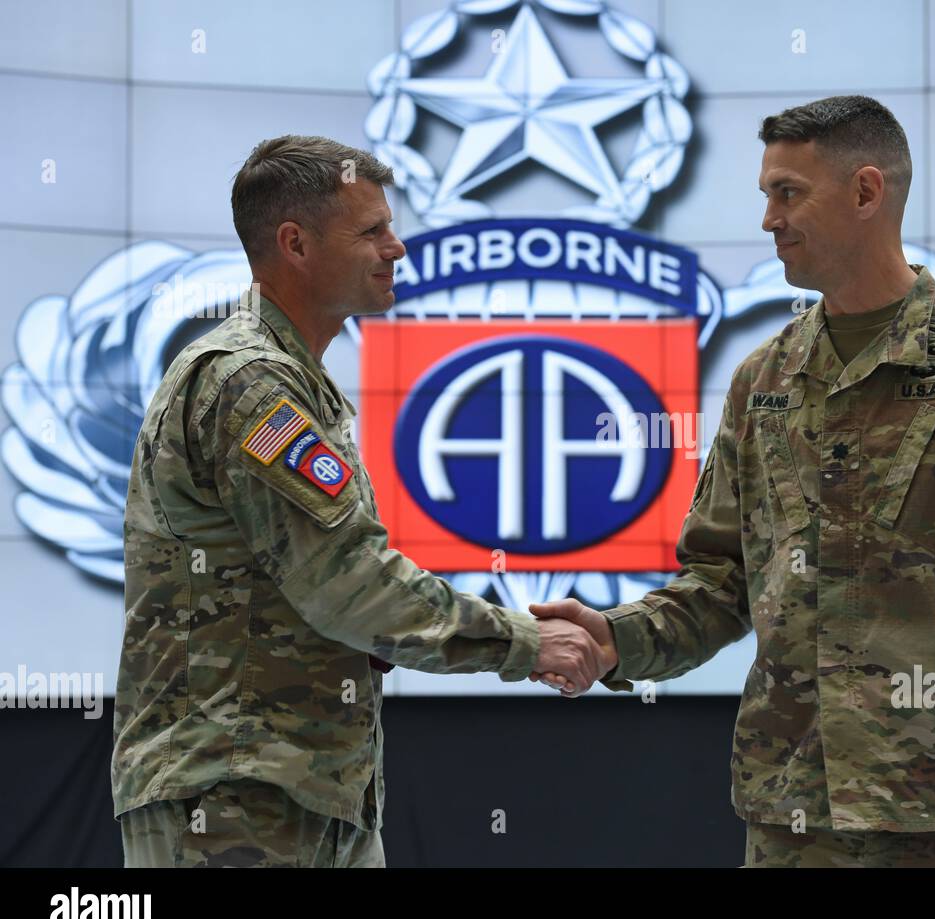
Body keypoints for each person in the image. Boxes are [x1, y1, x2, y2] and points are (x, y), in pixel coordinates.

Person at [530, 95, 935, 868]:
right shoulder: (765, 379)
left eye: (788, 192)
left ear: (866, 193)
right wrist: (617, 639)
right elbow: (723, 584)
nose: (768, 218)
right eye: (765, 194)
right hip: (794, 813)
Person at [112, 135, 615, 867]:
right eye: (372, 230)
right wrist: (526, 641)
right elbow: (349, 584)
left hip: (301, 789)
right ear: (296, 244)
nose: (398, 247)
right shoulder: (249, 384)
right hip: (232, 797)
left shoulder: (294, 383)